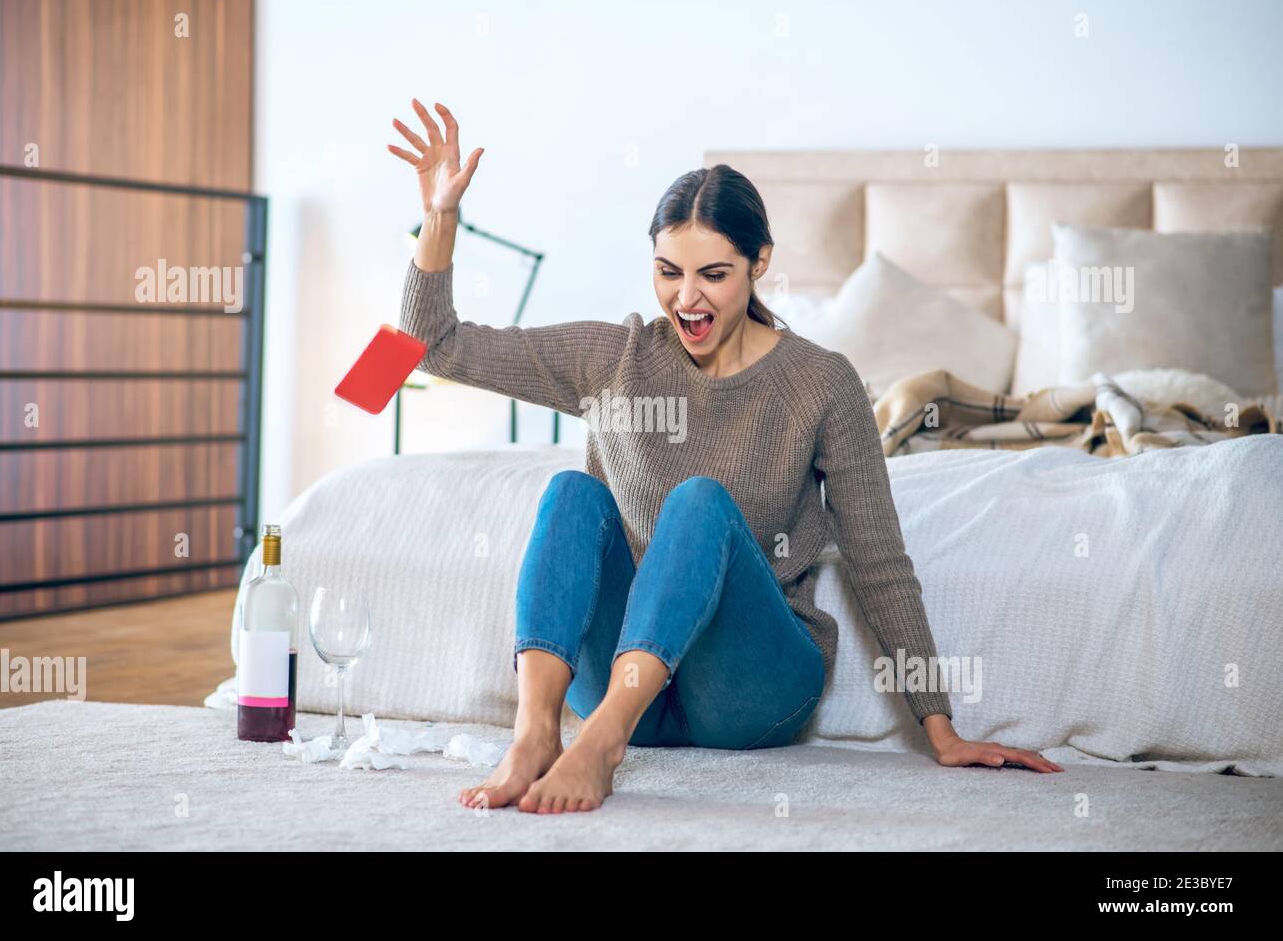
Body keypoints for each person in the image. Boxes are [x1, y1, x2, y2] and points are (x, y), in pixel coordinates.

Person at [387, 98, 1064, 814]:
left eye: (713, 273)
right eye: (668, 271)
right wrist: (440, 219)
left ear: (758, 264)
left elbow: (878, 559)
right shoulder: (613, 358)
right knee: (570, 492)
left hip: (748, 690)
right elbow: (431, 346)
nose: (687, 298)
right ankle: (535, 735)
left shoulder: (821, 382)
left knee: (699, 501)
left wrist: (941, 728)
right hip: (625, 680)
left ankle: (601, 745)